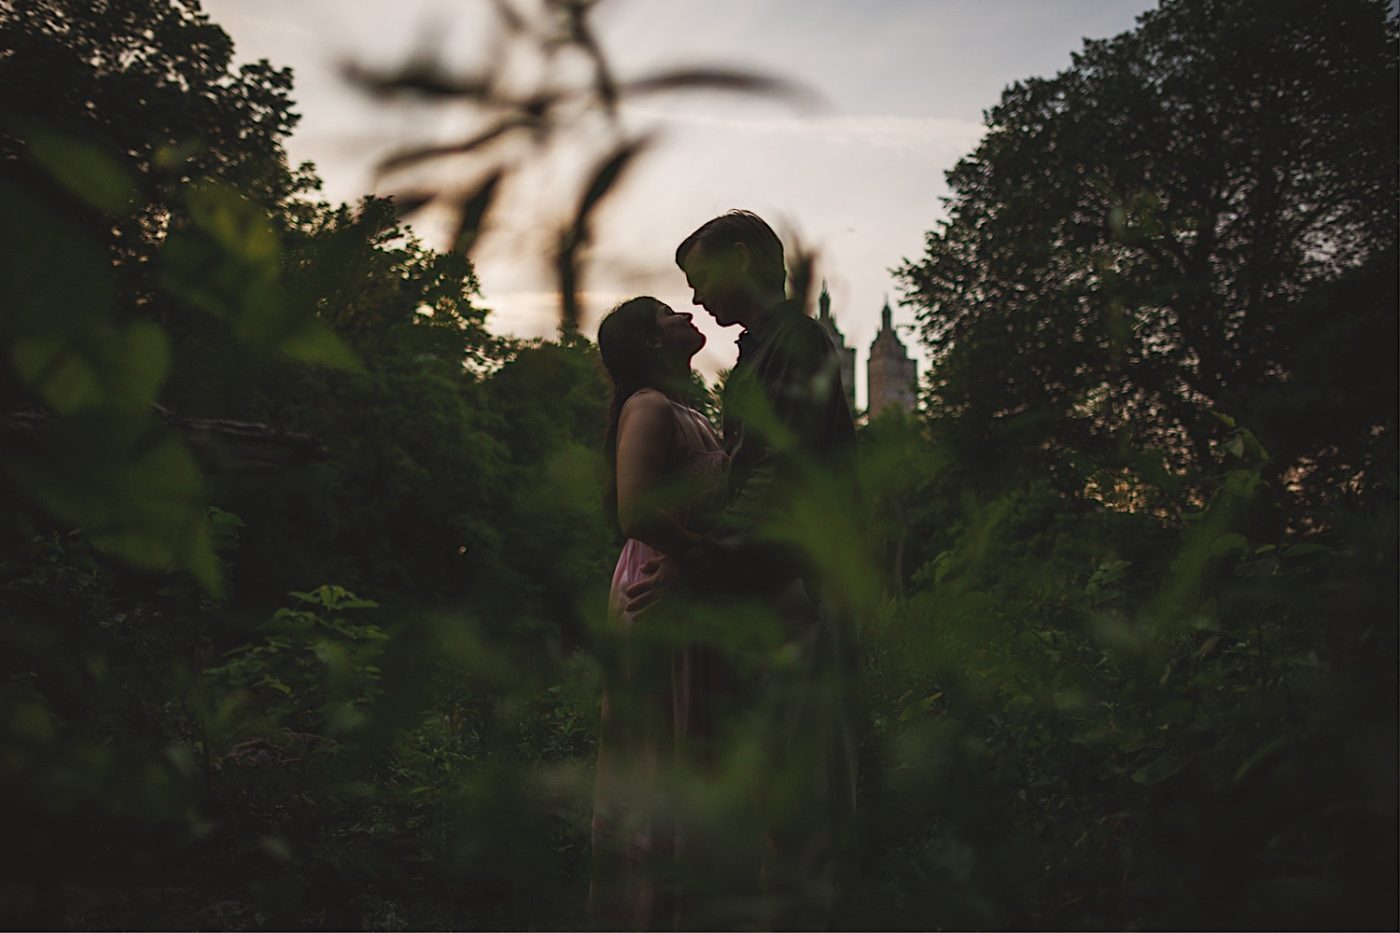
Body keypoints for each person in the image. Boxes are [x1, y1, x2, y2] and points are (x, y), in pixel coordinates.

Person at [626, 210, 860, 929]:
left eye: (699, 280)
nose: (697, 300)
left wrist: (697, 564)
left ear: (739, 257)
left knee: (801, 798)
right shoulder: (764, 354)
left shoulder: (798, 343)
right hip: (766, 592)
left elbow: (778, 478)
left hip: (795, 589)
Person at [588, 295, 731, 931]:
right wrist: (702, 560)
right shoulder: (646, 409)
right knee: (663, 750)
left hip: (687, 584)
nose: (686, 315)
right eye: (670, 312)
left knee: (695, 744)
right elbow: (636, 514)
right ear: (649, 343)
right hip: (656, 587)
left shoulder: (688, 411)